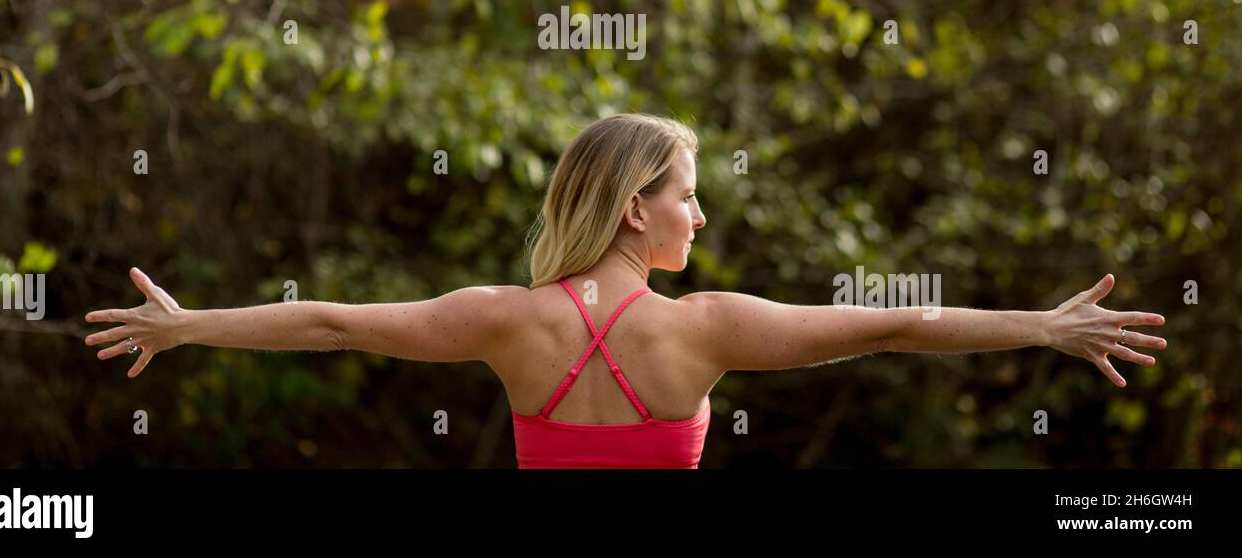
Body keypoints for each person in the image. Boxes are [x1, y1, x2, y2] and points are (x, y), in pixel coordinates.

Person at [84, 112, 1168, 468]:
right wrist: (1042, 326)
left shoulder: (507, 320)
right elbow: (895, 322)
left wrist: (187, 329)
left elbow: (326, 318)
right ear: (636, 205)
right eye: (687, 196)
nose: (700, 214)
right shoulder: (705, 329)